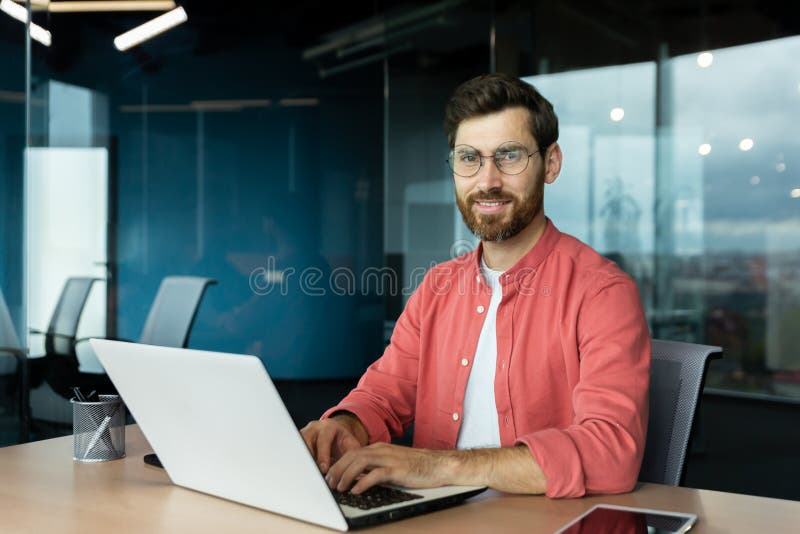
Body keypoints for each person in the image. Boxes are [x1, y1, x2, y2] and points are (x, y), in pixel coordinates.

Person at [300, 73, 650, 499]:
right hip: (437, 521)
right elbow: (385, 393)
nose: (487, 181)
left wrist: (441, 466)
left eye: (509, 155)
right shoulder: (438, 286)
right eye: (470, 158)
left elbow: (610, 452)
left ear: (551, 163)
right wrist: (345, 426)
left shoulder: (602, 292)